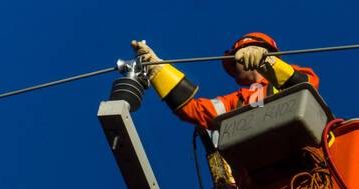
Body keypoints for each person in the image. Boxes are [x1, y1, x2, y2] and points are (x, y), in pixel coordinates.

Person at [131, 32, 320, 129]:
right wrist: (158, 69)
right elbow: (193, 110)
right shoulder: (235, 101)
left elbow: (306, 86)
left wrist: (267, 62)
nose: (234, 64)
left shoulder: (291, 75)